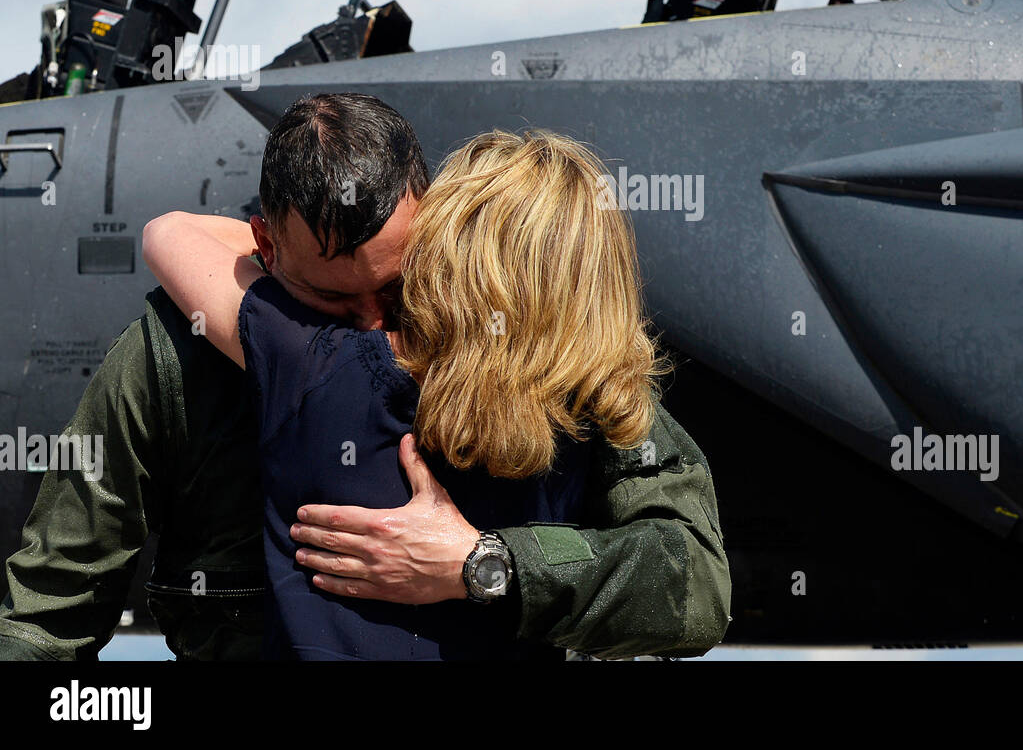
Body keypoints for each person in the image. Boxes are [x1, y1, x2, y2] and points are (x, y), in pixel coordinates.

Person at [0, 93, 730, 661]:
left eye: (402, 287)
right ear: (265, 249)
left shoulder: (557, 365)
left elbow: (690, 576)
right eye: (331, 300)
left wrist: (487, 564)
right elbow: (50, 612)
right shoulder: (182, 353)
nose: (375, 325)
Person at [141, 128, 668, 660]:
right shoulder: (602, 416)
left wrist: (286, 246)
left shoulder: (322, 363)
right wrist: (486, 563)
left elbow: (169, 232)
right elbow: (686, 584)